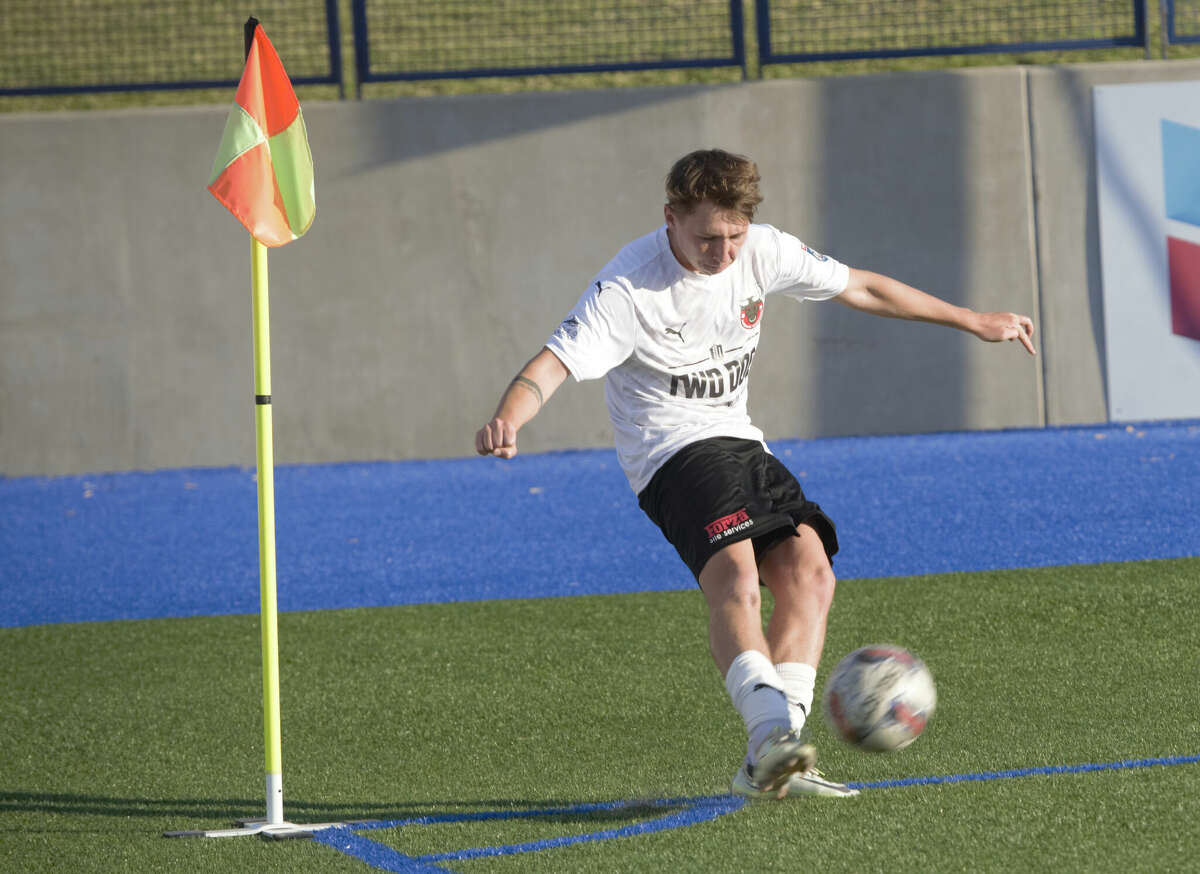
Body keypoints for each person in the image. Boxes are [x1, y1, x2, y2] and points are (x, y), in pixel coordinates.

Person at [474, 148, 1036, 800]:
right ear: (670, 219)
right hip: (671, 454)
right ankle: (770, 736)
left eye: (734, 236)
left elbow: (861, 286)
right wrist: (507, 416)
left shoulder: (762, 251)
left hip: (741, 444)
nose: (723, 252)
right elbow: (551, 364)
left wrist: (973, 321)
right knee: (737, 579)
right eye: (707, 237)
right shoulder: (627, 289)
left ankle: (775, 752)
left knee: (810, 571)